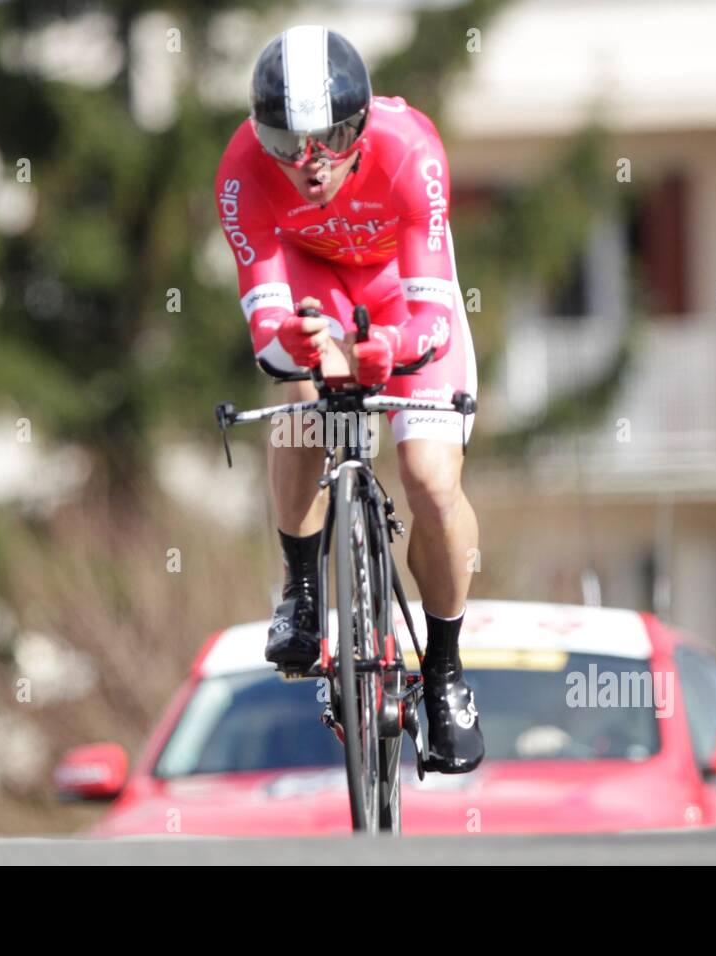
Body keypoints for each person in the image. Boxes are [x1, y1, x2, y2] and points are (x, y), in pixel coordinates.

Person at [213, 25, 483, 773]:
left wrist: (391, 352)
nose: (308, 164)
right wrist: (299, 348)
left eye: (329, 138)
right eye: (284, 141)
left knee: (431, 478)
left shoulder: (411, 149)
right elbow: (266, 329)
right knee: (300, 400)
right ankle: (301, 592)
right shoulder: (241, 172)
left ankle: (446, 672)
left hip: (402, 292)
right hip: (317, 288)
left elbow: (431, 317)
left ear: (360, 122)